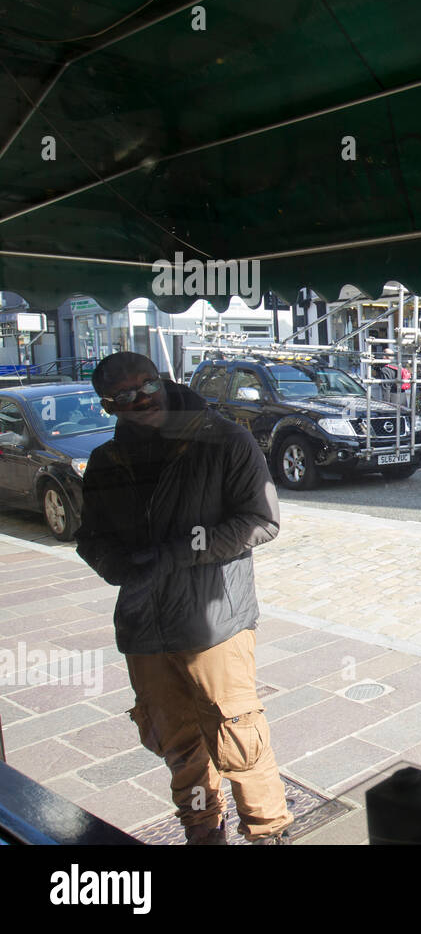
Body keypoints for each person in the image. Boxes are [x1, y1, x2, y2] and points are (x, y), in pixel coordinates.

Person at [75, 352, 292, 845]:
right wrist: (118, 566)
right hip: (144, 628)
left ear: (163, 380)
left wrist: (181, 551)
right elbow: (91, 537)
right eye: (123, 396)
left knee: (239, 737)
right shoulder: (109, 460)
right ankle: (202, 828)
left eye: (146, 385)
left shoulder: (222, 440)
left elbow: (262, 520)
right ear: (109, 406)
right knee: (177, 743)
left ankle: (267, 832)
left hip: (212, 623)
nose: (140, 399)